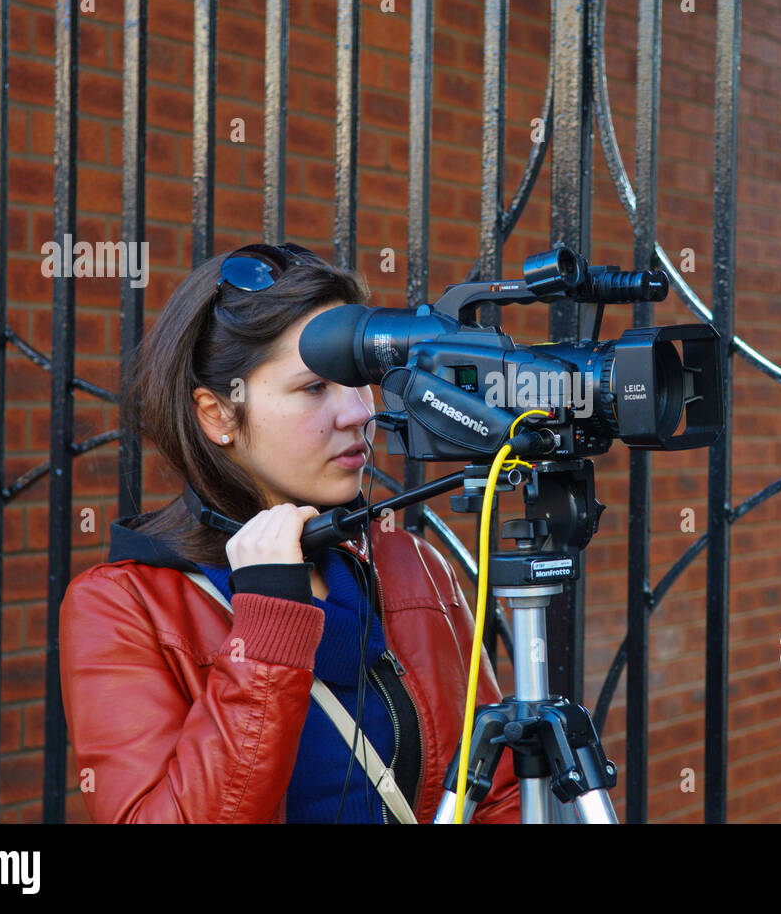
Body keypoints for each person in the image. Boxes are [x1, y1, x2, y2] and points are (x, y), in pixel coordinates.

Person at [59, 242, 520, 823]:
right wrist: (270, 624)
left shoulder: (413, 565)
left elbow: (496, 792)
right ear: (217, 414)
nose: (358, 412)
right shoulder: (123, 606)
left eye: (360, 381)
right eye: (314, 388)